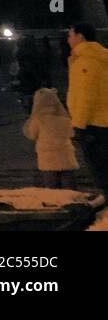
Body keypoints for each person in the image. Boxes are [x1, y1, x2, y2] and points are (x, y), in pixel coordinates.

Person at [66, 22, 108, 193]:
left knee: (100, 170)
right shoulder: (100, 56)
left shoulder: (86, 61)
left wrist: (79, 125)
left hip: (94, 125)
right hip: (102, 121)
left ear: (80, 36)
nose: (68, 39)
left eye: (70, 35)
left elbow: (86, 95)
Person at [22, 87, 78, 189]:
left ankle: (55, 201)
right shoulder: (64, 118)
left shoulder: (38, 119)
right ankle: (72, 201)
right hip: (65, 152)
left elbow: (32, 135)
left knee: (51, 183)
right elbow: (71, 133)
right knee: (69, 182)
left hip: (47, 155)